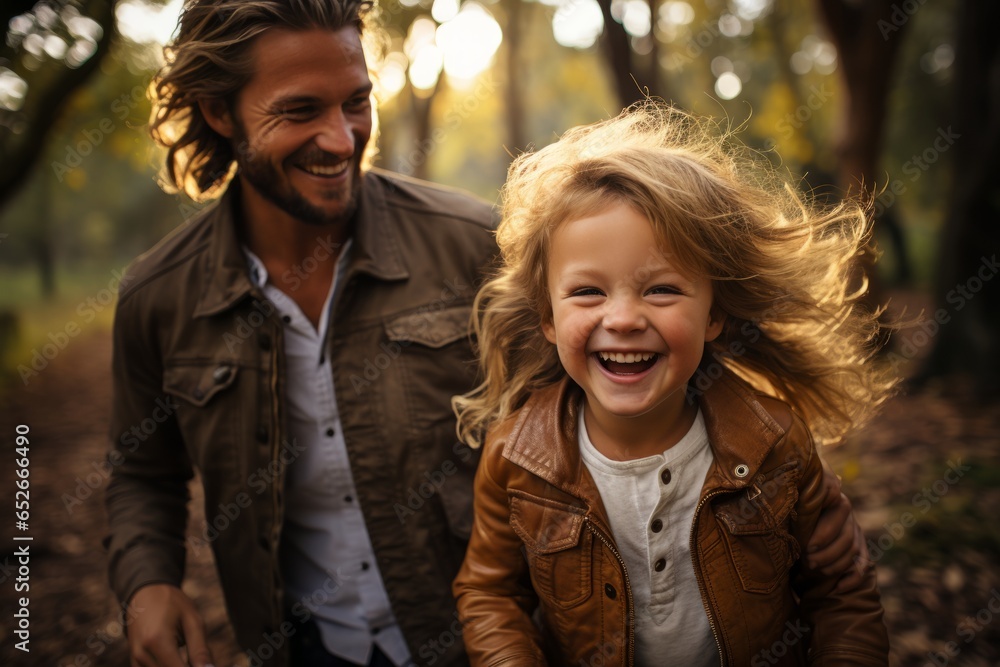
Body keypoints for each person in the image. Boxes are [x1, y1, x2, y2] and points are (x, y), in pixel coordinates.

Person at [103, 1, 870, 665]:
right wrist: (148, 580)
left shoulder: (472, 245)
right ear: (219, 112)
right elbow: (143, 470)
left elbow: (636, 370)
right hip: (300, 643)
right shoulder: (158, 298)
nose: (341, 139)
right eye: (300, 111)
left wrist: (794, 498)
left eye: (357, 102)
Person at [452, 103, 896, 666]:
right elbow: (491, 593)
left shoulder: (774, 444)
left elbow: (842, 594)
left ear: (714, 315)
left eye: (661, 289)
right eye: (588, 292)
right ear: (548, 318)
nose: (622, 319)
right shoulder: (515, 459)